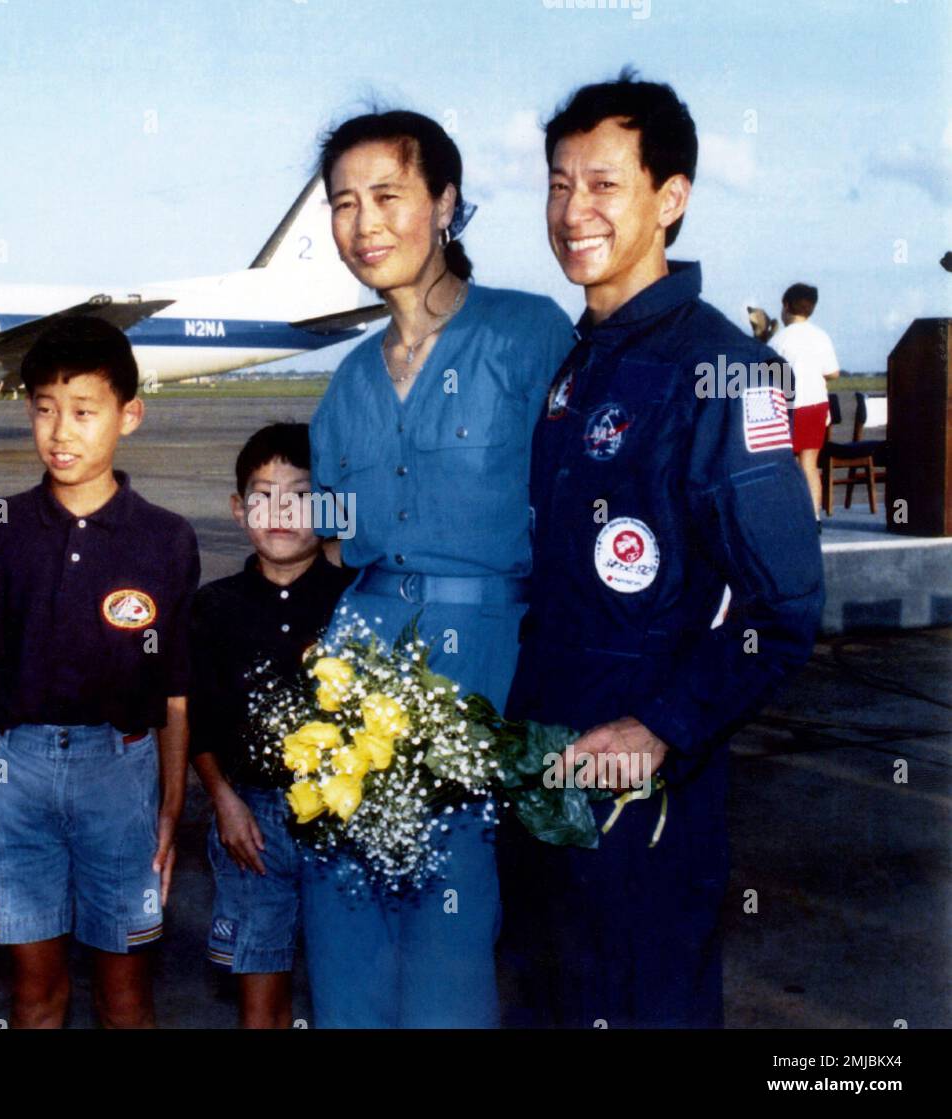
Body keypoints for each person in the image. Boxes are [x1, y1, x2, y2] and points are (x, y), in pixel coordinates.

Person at [503, 71, 825, 1029]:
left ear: (669, 198)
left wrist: (660, 729)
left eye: (603, 184)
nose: (572, 210)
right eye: (558, 183)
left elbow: (787, 610)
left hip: (649, 806)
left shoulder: (728, 371)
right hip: (549, 778)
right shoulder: (578, 362)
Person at [304, 109, 575, 1028]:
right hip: (360, 668)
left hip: (489, 669)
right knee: (342, 919)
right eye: (343, 203)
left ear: (447, 203)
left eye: (388, 195)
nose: (364, 223)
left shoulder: (529, 334)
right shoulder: (345, 381)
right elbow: (335, 541)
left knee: (455, 932)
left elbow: (580, 504)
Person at [0, 319, 199, 1029]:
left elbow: (177, 691)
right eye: (43, 408)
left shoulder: (165, 537)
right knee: (34, 990)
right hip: (18, 772)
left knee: (125, 990)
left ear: (129, 414)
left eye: (84, 411)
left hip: (119, 770)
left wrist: (169, 803)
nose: (60, 431)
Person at [190, 422, 355, 1029]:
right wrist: (223, 801)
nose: (280, 511)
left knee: (348, 986)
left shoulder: (355, 601)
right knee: (260, 997)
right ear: (238, 510)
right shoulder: (214, 606)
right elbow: (198, 722)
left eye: (301, 494)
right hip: (250, 825)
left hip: (343, 823)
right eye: (263, 495)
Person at [769, 282, 841, 519]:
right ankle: (814, 518)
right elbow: (833, 372)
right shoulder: (820, 336)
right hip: (815, 405)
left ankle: (788, 516)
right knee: (810, 464)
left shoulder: (778, 340)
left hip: (788, 407)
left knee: (784, 466)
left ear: (786, 306)